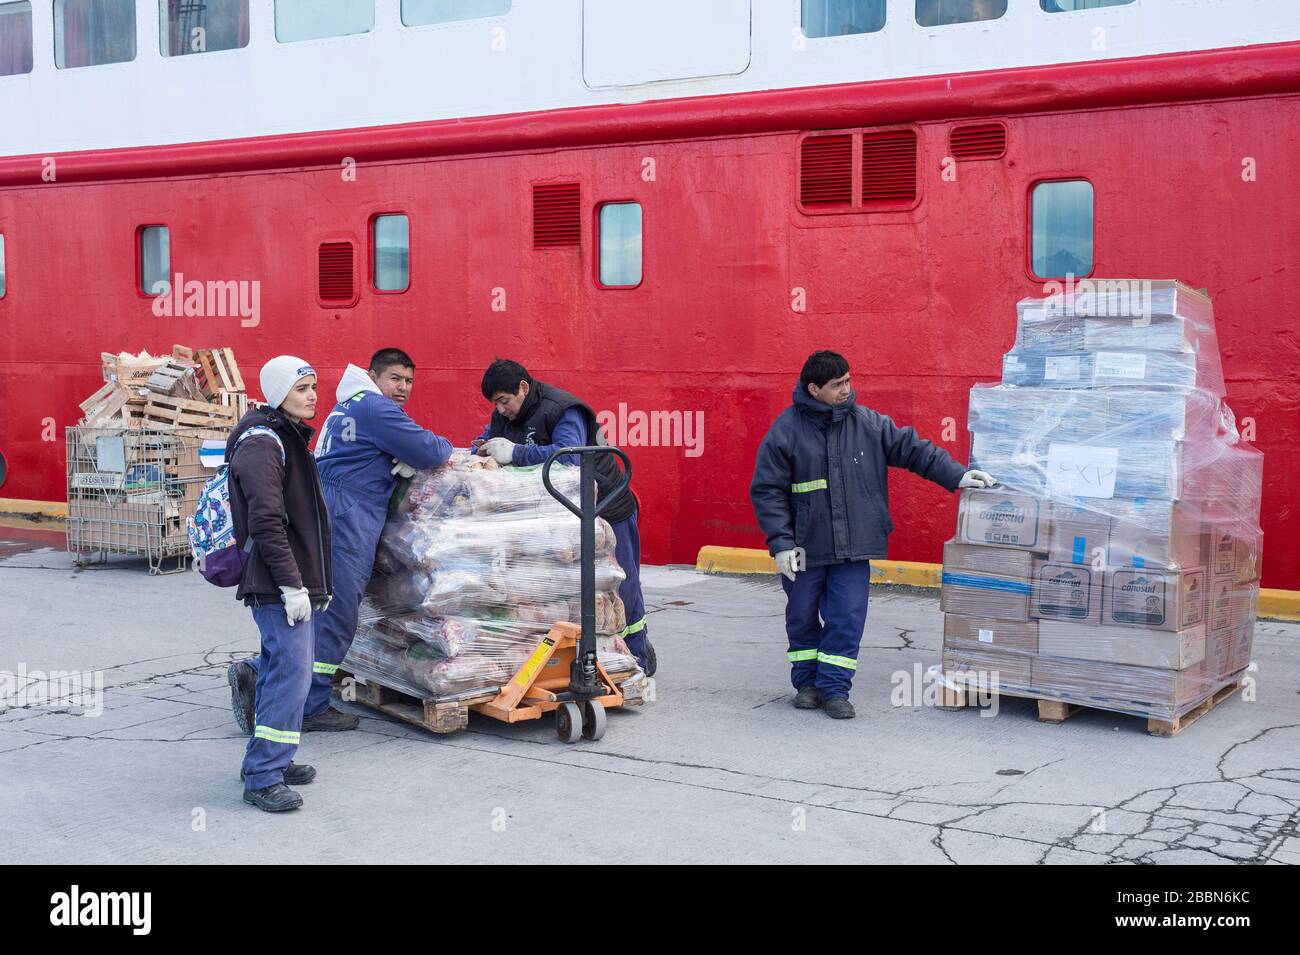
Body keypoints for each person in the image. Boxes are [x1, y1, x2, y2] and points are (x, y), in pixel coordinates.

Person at [750, 350, 996, 720]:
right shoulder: (785, 433)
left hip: (854, 546)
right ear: (814, 389)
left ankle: (834, 690)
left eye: (849, 381)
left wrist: (957, 475)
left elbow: (915, 451)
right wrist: (781, 544)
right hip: (805, 547)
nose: (847, 389)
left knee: (846, 617)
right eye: (837, 385)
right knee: (801, 616)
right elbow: (767, 490)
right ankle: (807, 684)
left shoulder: (869, 424)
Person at [228, 348, 452, 737]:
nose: (402, 388)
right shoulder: (375, 408)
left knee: (320, 608)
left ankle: (264, 676)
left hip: (332, 504)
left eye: (409, 381)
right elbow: (430, 450)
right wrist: (426, 452)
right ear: (373, 376)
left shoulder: (348, 405)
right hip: (351, 512)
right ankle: (308, 704)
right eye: (395, 378)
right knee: (336, 614)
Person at [471, 359, 656, 675]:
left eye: (504, 401)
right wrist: (479, 450)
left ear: (523, 388)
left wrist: (515, 453)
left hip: (607, 506)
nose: (501, 410)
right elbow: (490, 439)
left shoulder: (562, 409)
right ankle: (576, 660)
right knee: (564, 589)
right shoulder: (503, 416)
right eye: (496, 404)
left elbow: (569, 457)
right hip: (562, 513)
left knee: (619, 584)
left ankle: (636, 658)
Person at [225, 356, 332, 812]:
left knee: (279, 670)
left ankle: (276, 758)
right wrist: (292, 586)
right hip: (274, 582)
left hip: (286, 578)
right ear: (276, 392)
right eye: (302, 387)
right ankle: (263, 776)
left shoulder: (282, 435)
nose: (312, 395)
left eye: (313, 386)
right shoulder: (263, 445)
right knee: (293, 674)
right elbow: (266, 521)